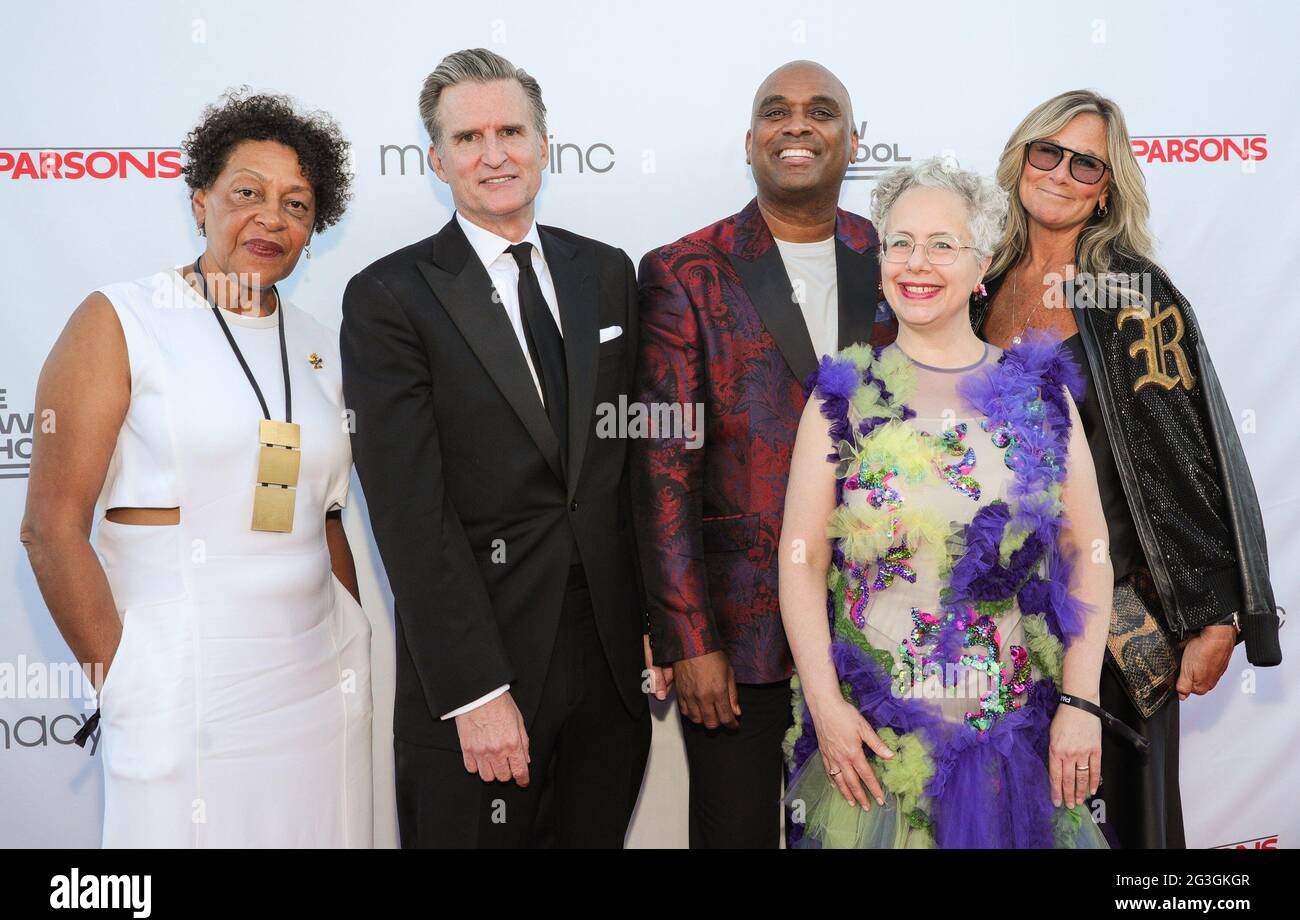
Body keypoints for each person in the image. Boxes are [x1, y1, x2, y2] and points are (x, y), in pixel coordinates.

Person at [20, 90, 372, 848]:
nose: (271, 218)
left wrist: (357, 633)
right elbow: (50, 528)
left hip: (319, 679)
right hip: (175, 680)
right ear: (200, 199)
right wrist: (123, 683)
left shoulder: (320, 341)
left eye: (298, 204)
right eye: (247, 192)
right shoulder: (120, 319)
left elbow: (330, 514)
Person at [341, 48, 650, 849]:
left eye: (511, 130)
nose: (494, 154)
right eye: (468, 137)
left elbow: (631, 470)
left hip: (612, 671)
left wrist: (659, 620)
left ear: (545, 143)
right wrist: (475, 691)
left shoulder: (607, 273)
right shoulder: (390, 297)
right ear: (436, 158)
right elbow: (410, 513)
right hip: (484, 668)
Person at [972, 89, 1282, 848]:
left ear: (1106, 188)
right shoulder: (978, 280)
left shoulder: (1131, 293)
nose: (1062, 173)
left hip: (1111, 619)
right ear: (1021, 160)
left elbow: (1191, 454)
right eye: (1048, 152)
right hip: (989, 622)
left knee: (1123, 830)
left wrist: (1215, 613)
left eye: (1086, 164)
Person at [779, 156, 1112, 848]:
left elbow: (1089, 554)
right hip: (880, 751)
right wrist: (827, 705)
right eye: (900, 243)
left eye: (941, 244)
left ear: (981, 261)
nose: (916, 262)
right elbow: (800, 560)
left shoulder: (1039, 395)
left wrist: (1082, 702)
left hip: (1015, 746)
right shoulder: (844, 397)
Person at [632, 60, 897, 848]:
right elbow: (661, 470)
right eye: (776, 112)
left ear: (852, 141)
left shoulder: (899, 260)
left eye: (820, 112)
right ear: (750, 141)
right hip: (738, 645)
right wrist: (688, 638)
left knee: (861, 835)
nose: (797, 126)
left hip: (876, 631)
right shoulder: (684, 271)